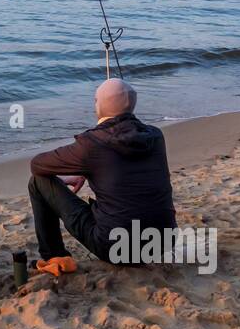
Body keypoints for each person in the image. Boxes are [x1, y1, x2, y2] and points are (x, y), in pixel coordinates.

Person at [26, 78, 173, 275]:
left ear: (99, 105)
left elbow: (37, 164)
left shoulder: (92, 144)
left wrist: (82, 165)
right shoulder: (155, 136)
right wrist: (86, 169)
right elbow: (119, 165)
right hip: (161, 242)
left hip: (115, 247)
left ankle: (53, 255)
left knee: (38, 182)